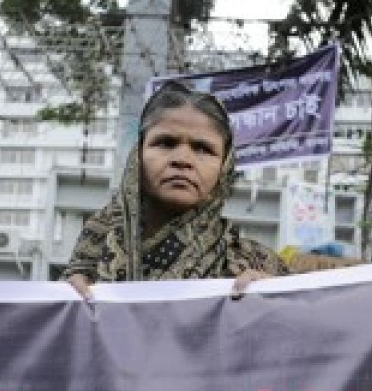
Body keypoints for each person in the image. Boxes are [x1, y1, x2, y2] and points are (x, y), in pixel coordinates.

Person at [62, 81, 287, 298]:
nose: (182, 160)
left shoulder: (254, 265)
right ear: (137, 156)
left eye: (203, 149)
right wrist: (67, 299)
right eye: (166, 143)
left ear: (224, 166)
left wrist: (274, 301)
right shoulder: (95, 244)